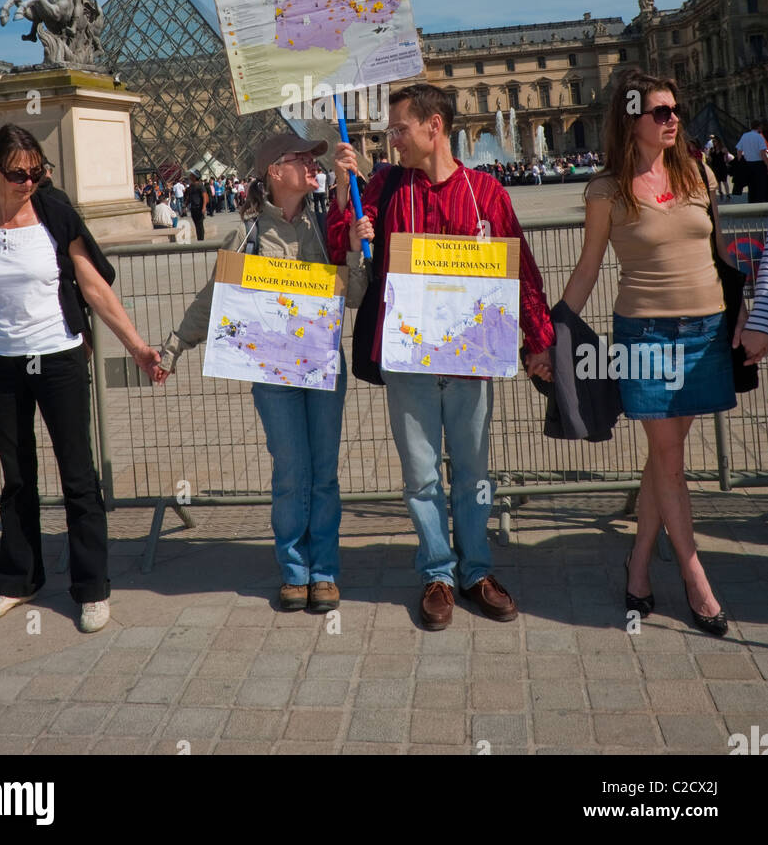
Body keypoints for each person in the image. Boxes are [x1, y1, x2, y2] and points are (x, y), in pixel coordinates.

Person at [0, 124, 163, 633]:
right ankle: (17, 581)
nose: (30, 181)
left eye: (37, 171)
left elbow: (93, 287)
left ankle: (92, 589)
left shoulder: (55, 213)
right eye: (19, 173)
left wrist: (137, 346)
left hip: (59, 358)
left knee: (78, 477)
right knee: (17, 477)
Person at [328, 84, 554, 631]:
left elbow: (519, 268)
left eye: (400, 129)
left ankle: (477, 570)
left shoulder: (487, 190)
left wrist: (538, 340)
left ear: (434, 126)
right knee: (422, 475)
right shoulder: (384, 186)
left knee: (475, 470)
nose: (392, 139)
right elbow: (340, 245)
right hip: (409, 361)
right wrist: (341, 188)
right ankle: (438, 574)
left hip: (472, 358)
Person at [561, 71, 746, 637]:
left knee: (665, 459)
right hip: (645, 337)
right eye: (659, 112)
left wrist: (749, 313)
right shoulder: (606, 190)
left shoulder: (700, 173)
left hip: (708, 333)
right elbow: (589, 268)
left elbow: (721, 251)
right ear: (631, 118)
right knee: (670, 462)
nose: (672, 120)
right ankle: (695, 578)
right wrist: (553, 331)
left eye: (675, 110)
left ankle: (638, 564)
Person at [156, 132, 372, 612]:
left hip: (322, 369)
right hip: (274, 375)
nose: (313, 166)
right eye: (303, 159)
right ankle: (295, 570)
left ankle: (326, 571)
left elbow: (353, 295)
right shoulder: (246, 236)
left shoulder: (326, 225)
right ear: (275, 171)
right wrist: (172, 348)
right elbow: (211, 300)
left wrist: (355, 247)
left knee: (324, 473)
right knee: (292, 471)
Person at [735, 121, 768, 204]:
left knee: (751, 184)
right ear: (759, 127)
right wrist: (767, 164)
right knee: (761, 184)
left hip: (748, 163)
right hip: (759, 163)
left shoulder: (744, 136)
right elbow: (762, 153)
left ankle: (752, 200)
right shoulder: (759, 137)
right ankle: (761, 200)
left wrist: (740, 161)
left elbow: (739, 150)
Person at [184, 173, 206, 241]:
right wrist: (185, 206)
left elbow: (204, 196)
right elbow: (189, 198)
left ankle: (201, 239)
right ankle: (199, 239)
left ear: (195, 177)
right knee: (196, 225)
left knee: (200, 224)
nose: (190, 177)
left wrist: (204, 207)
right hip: (193, 208)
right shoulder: (191, 186)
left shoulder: (200, 186)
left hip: (199, 208)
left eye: (191, 175)